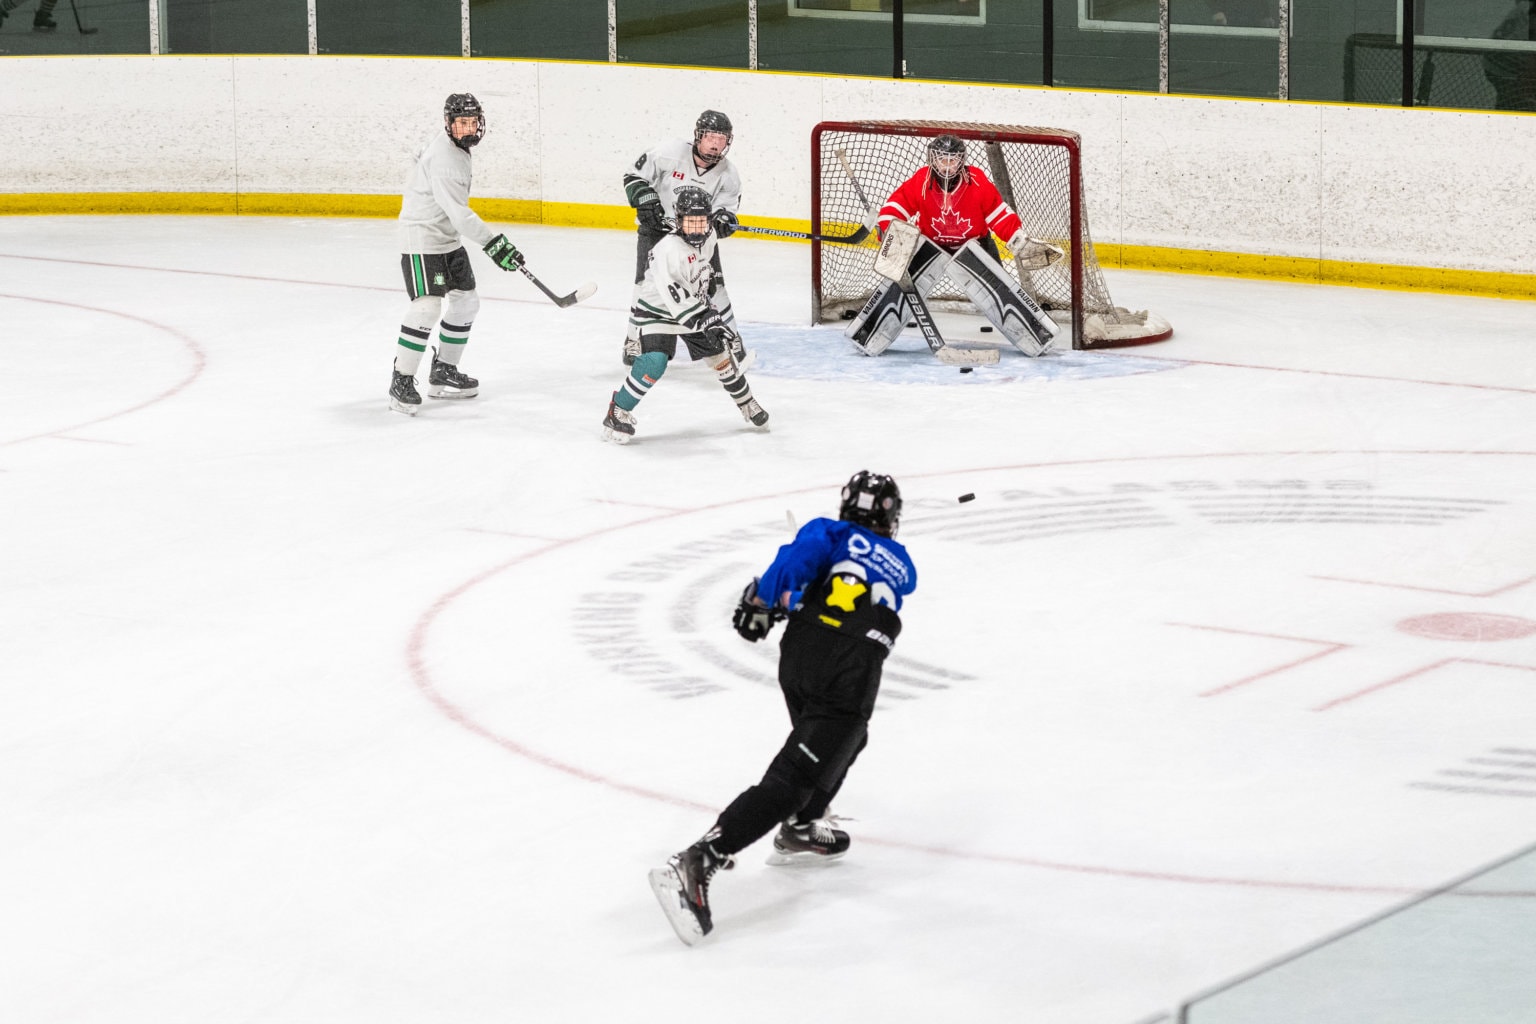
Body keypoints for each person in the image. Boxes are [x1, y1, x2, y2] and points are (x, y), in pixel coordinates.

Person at [648, 471, 916, 945]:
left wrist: (763, 599)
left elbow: (796, 563)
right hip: (850, 667)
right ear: (891, 518)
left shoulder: (827, 532)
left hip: (800, 657)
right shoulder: (902, 562)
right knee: (800, 773)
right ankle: (699, 860)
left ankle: (801, 827)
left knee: (840, 742)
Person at [846, 134, 1060, 358]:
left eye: (953, 160)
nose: (947, 166)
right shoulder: (921, 181)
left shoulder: (977, 182)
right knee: (899, 284)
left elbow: (999, 214)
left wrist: (1018, 240)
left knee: (1001, 292)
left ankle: (1036, 336)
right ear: (932, 158)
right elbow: (897, 205)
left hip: (976, 245)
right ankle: (868, 333)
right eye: (942, 159)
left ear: (962, 160)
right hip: (931, 246)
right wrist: (887, 226)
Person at [389, 93, 526, 416]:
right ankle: (401, 380)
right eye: (461, 123)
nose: (468, 129)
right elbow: (460, 216)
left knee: (466, 301)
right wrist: (495, 245)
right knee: (426, 308)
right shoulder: (445, 157)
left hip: (446, 238)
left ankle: (443, 371)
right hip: (422, 239)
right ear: (449, 124)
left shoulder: (454, 148)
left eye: (472, 121)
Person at [601, 186, 767, 443]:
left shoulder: (708, 235)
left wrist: (725, 224)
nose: (697, 229)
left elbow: (703, 262)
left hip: (693, 308)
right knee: (654, 362)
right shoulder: (669, 250)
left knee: (721, 357)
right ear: (679, 221)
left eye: (702, 222)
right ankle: (618, 410)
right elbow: (675, 297)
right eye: (691, 222)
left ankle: (747, 402)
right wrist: (707, 318)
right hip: (659, 311)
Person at [620, 110, 747, 368]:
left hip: (698, 234)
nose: (715, 144)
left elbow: (726, 210)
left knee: (715, 285)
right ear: (698, 136)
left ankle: (732, 336)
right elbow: (633, 175)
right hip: (658, 228)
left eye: (722, 139)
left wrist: (722, 222)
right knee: (644, 283)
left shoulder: (728, 175)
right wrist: (645, 198)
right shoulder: (669, 151)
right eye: (711, 137)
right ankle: (633, 339)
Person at [1484, 0, 1536, 112]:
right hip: (1509, 63)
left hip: (1495, 58)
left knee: (1508, 99)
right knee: (1521, 101)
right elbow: (1532, 58)